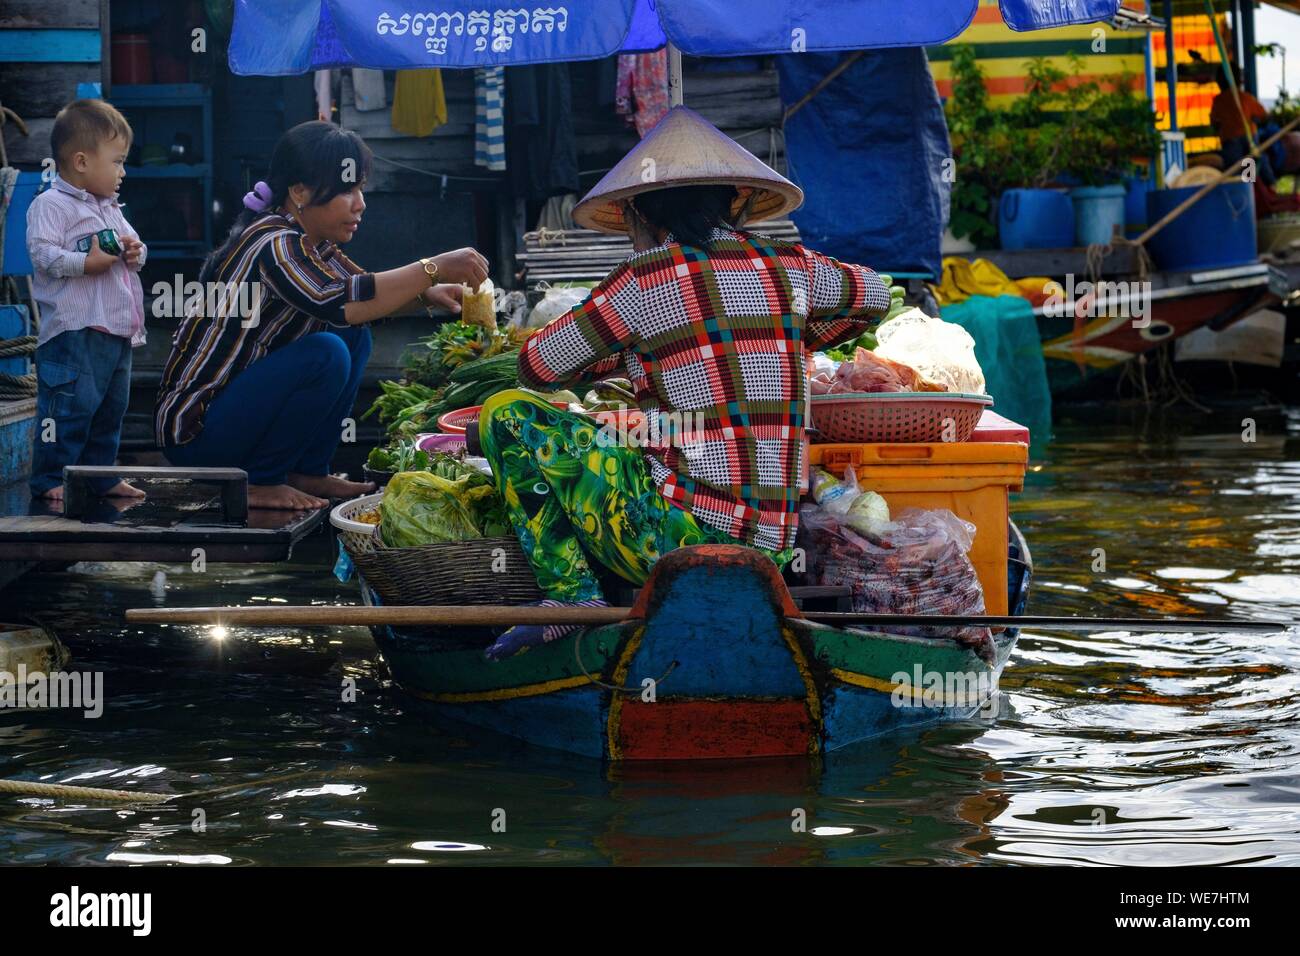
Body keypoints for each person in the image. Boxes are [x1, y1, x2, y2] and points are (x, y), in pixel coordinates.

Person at [477, 106, 891, 659]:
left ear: (640, 213)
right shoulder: (790, 266)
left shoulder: (642, 280)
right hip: (775, 543)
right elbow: (875, 294)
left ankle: (571, 598)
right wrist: (794, 336)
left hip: (676, 538)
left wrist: (626, 353)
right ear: (733, 203)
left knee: (505, 415)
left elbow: (537, 368)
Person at [155, 121, 489, 510]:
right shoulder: (275, 244)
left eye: (360, 188)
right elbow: (339, 303)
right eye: (347, 189)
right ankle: (262, 481)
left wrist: (427, 296)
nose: (360, 203)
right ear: (299, 192)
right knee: (326, 351)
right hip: (197, 436)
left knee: (353, 336)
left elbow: (362, 292)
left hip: (238, 416)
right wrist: (433, 267)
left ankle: (308, 470)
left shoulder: (315, 245)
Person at [27, 99, 149, 503]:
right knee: (68, 411)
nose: (123, 171)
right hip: (74, 332)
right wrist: (86, 263)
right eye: (117, 161)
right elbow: (42, 255)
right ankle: (49, 479)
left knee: (109, 411)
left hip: (115, 331)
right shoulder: (51, 205)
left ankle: (101, 476)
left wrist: (135, 252)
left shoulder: (110, 208)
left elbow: (138, 246)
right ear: (81, 162)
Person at [1211, 64, 1275, 185]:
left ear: (1219, 81)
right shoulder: (1246, 98)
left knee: (1234, 173)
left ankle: (1242, 193)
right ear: (1240, 80)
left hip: (1230, 140)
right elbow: (1263, 116)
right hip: (1249, 138)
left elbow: (1214, 122)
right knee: (1251, 166)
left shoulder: (1219, 101)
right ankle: (1268, 188)